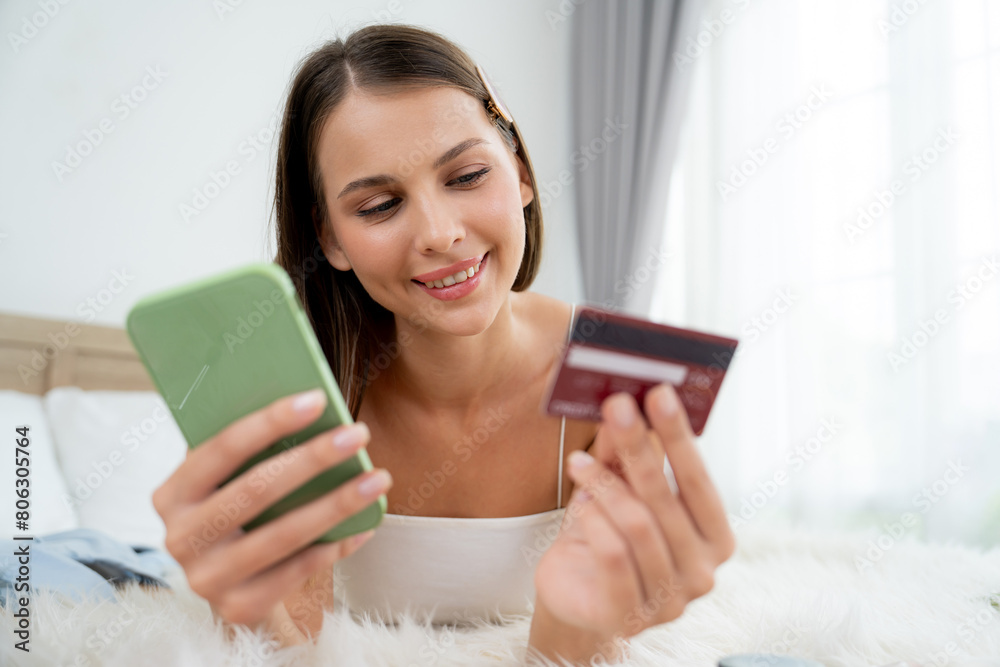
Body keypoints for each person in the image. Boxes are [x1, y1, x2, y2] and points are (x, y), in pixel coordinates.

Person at [151, 23, 735, 665]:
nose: (439, 233)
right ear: (331, 239)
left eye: (468, 175)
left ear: (520, 172)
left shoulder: (625, 372)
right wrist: (247, 615)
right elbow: (285, 649)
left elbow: (584, 634)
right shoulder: (292, 397)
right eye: (378, 205)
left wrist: (572, 635)